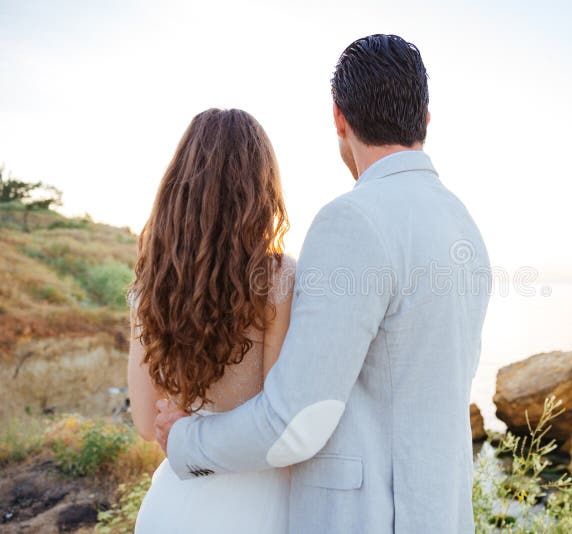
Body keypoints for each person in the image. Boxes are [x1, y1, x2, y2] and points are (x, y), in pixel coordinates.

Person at [151, 34, 490, 533]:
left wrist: (186, 440)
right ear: (425, 121)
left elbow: (296, 422)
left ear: (339, 118)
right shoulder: (465, 227)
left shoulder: (351, 220)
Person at [128, 108, 294, 533]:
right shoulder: (279, 279)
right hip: (256, 510)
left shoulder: (153, 282)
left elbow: (147, 423)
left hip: (173, 506)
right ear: (261, 188)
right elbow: (280, 424)